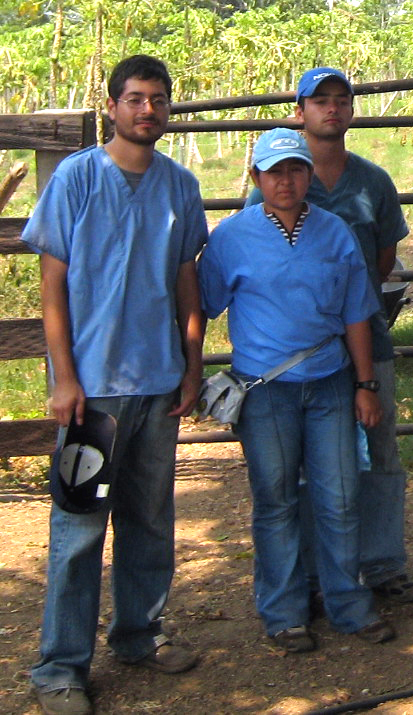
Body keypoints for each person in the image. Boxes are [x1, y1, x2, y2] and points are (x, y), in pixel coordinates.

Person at [23, 55, 205, 715]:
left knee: (150, 519)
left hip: (156, 383)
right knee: (78, 526)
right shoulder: (76, 179)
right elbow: (52, 283)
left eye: (158, 99)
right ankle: (60, 667)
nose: (147, 110)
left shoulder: (180, 187)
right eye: (134, 99)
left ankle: (139, 631)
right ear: (112, 106)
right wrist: (64, 376)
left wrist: (192, 362)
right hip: (92, 392)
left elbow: (188, 280)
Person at [200, 128, 396, 652]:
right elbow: (201, 305)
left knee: (340, 496)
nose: (285, 181)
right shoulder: (229, 238)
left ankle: (347, 602)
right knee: (276, 500)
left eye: (294, 169)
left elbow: (357, 313)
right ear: (255, 176)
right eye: (274, 171)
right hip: (265, 391)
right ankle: (284, 612)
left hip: (330, 384)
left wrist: (366, 384)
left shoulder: (335, 233)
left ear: (309, 174)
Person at [246, 67, 413, 605]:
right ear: (299, 111)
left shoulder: (372, 182)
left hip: (366, 337)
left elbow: (385, 256)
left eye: (340, 99)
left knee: (380, 451)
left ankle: (383, 562)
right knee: (304, 465)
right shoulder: (274, 186)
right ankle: (310, 573)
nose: (331, 109)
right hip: (298, 352)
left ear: (351, 109)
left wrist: (354, 303)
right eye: (318, 100)